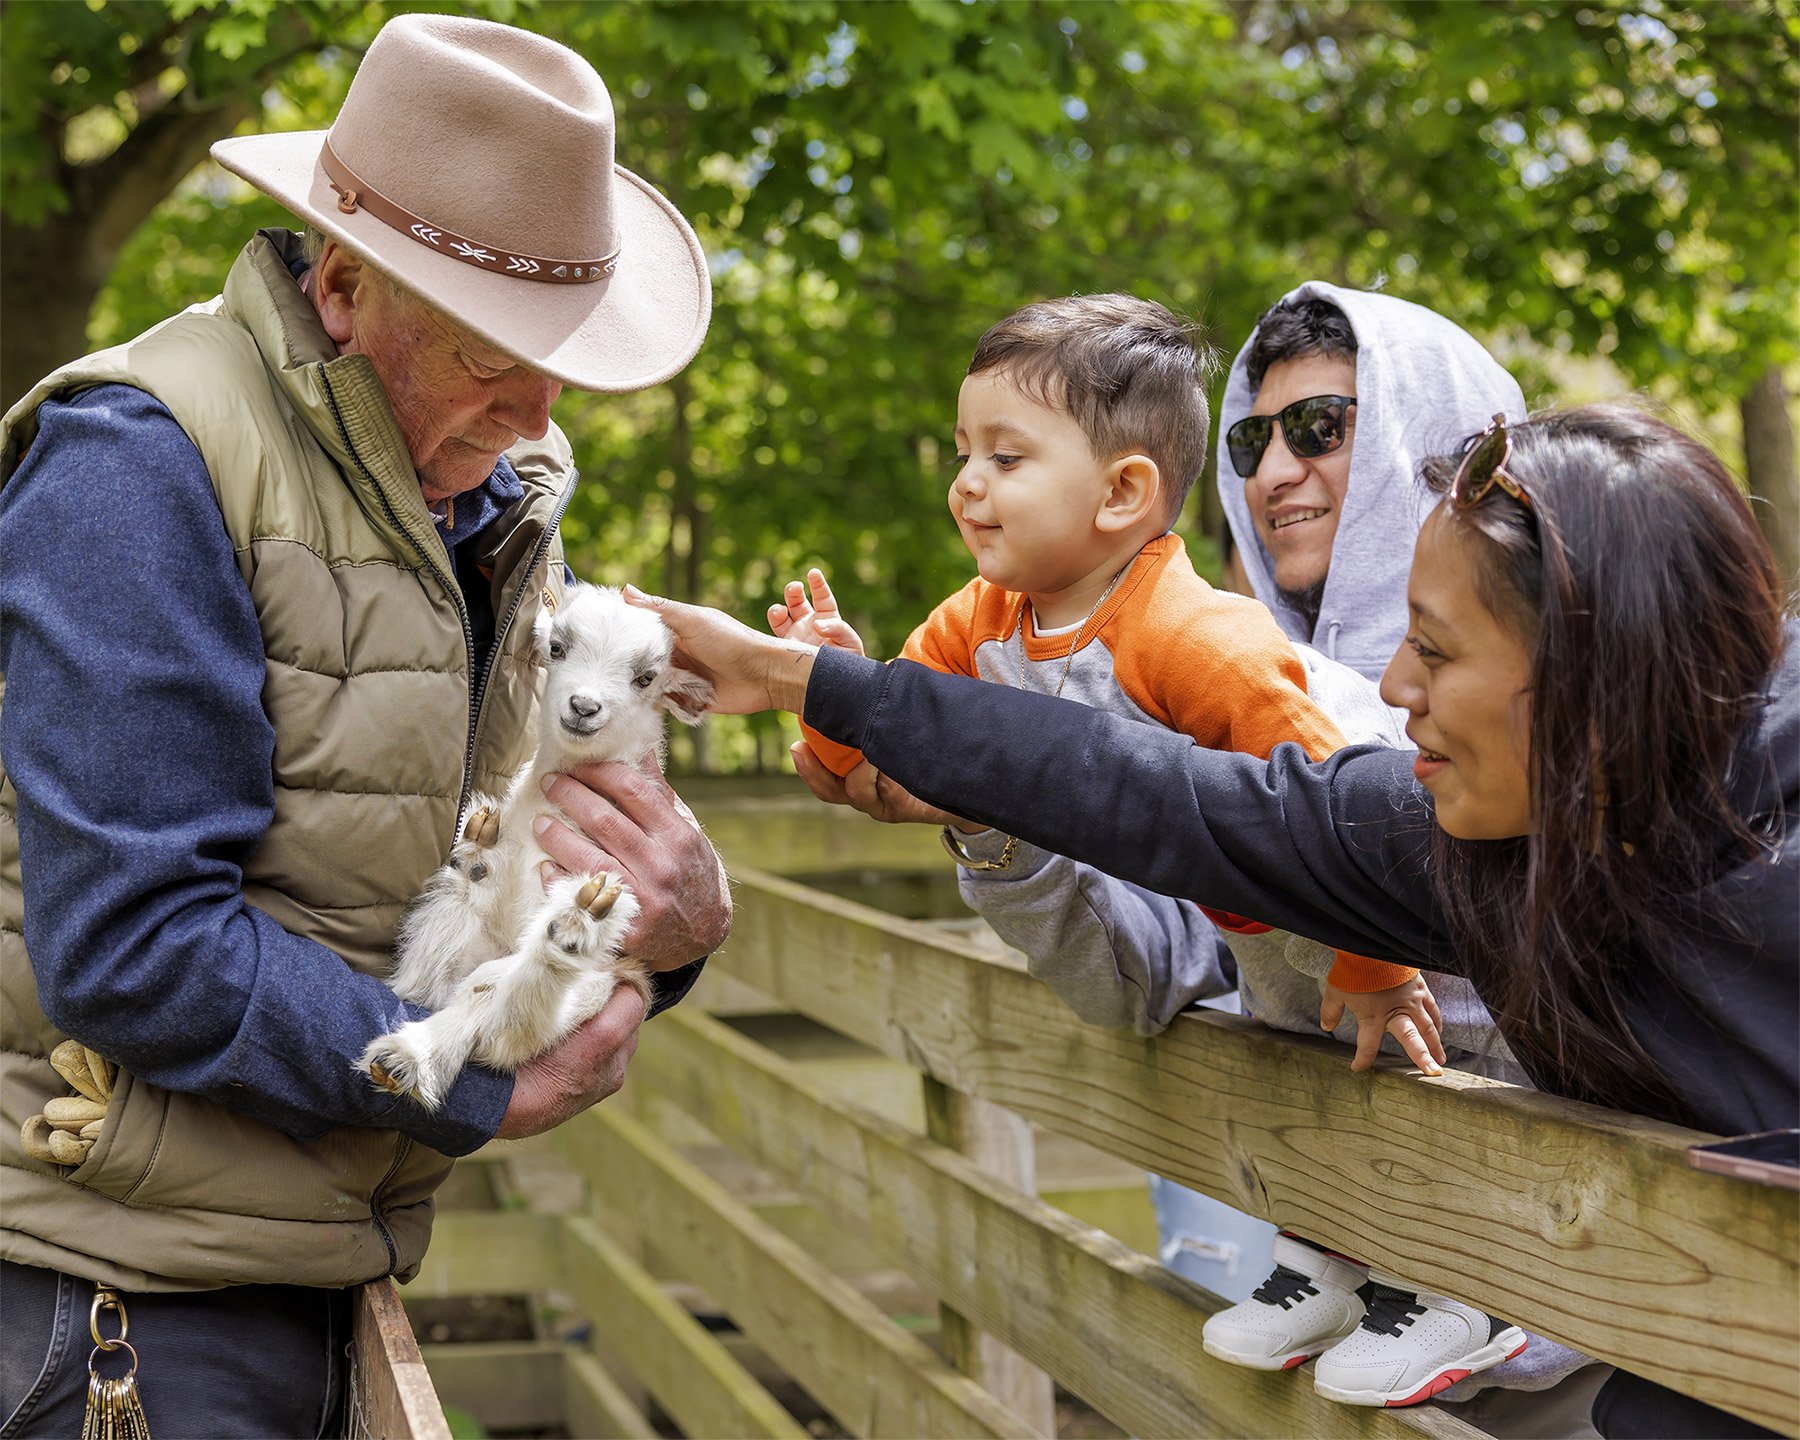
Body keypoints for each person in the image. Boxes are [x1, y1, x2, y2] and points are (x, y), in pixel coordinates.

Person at [639, 400, 1796, 1439]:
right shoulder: (1483, 833)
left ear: (1596, 671)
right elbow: (1157, 792)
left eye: (1437, 651)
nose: (1397, 687)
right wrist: (806, 683)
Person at [0, 16, 728, 1434]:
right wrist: (464, 1081)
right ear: (341, 285)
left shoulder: (480, 498)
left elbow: (489, 871)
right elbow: (134, 945)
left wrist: (675, 931)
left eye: (560, 355)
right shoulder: (138, 470)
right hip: (113, 1309)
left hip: (314, 1274)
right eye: (492, 354)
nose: (543, 407)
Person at [770, 293, 1440, 1077]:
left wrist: (1378, 970)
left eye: (1005, 458)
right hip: (1270, 971)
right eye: (964, 456)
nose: (967, 485)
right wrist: (826, 681)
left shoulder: (1200, 636)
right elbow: (885, 740)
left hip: (1387, 909)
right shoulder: (978, 621)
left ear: (1121, 492)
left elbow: (1332, 806)